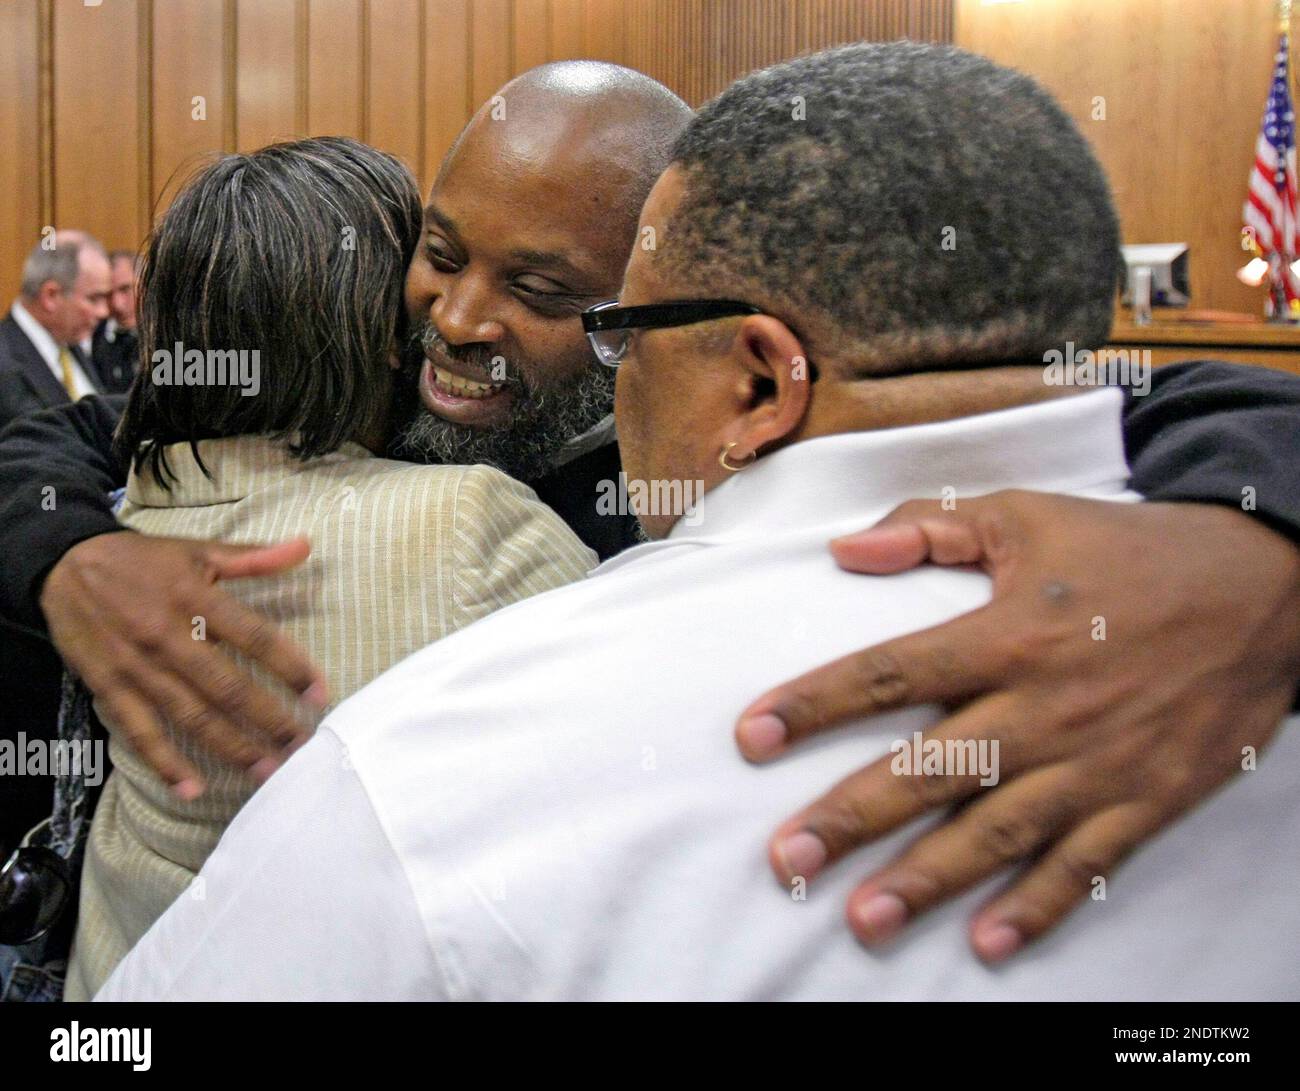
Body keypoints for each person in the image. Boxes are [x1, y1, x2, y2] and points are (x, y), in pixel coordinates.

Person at [2, 62, 1300, 964]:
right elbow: (61, 436)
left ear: (660, 298)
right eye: (443, 252)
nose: (458, 318)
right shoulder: (369, 393)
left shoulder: (698, 465)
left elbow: (1125, 385)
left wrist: (1254, 538)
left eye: (542, 286)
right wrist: (67, 549)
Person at [59, 136, 593, 1001]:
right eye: (431, 269)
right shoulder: (466, 525)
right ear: (380, 327)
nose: (448, 320)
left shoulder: (129, 506)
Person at [0, 231, 109, 429]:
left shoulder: (72, 343)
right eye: (94, 299)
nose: (104, 311)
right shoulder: (5, 362)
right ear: (50, 296)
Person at [90, 250, 140, 394]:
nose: (117, 304)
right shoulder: (91, 338)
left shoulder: (168, 334)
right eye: (108, 294)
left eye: (125, 289)